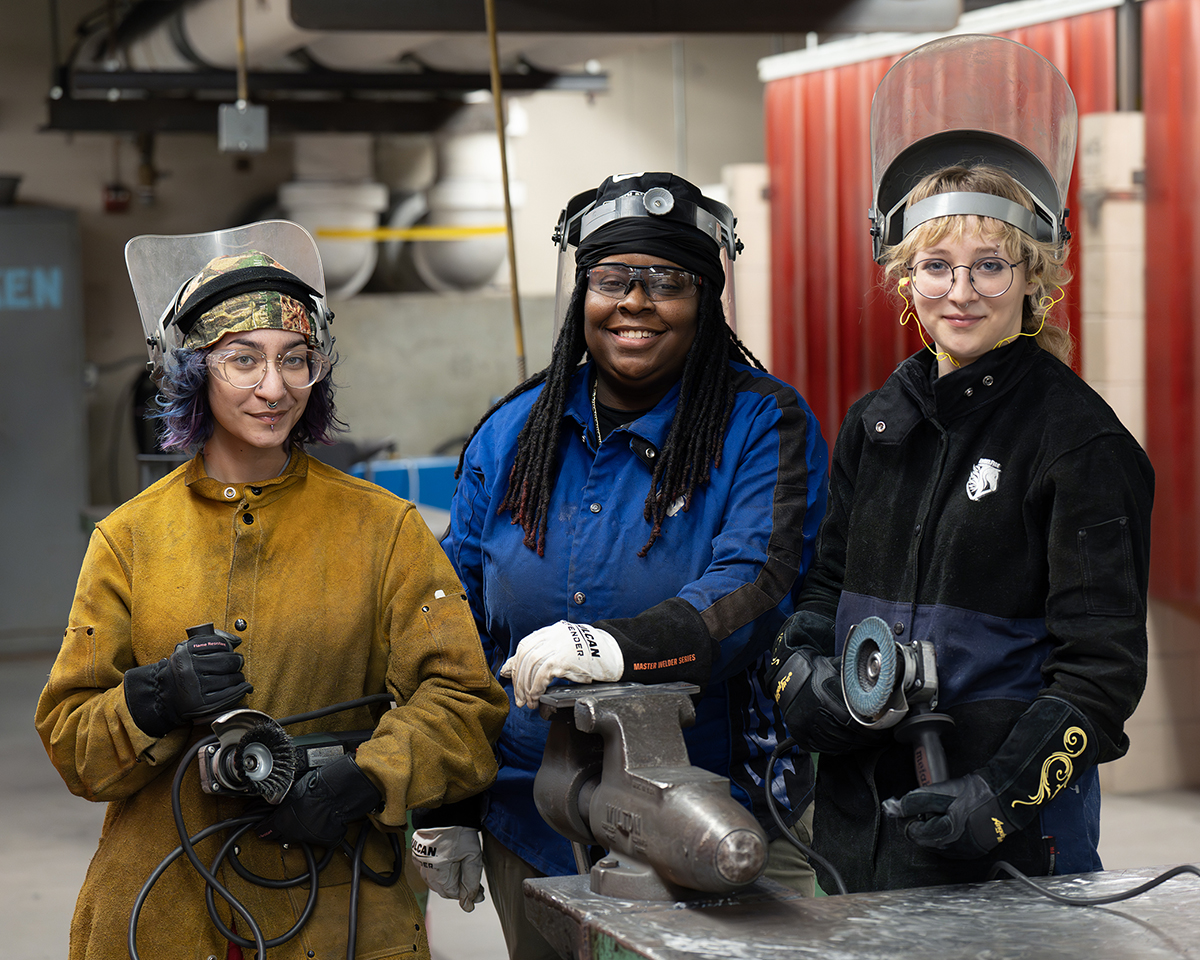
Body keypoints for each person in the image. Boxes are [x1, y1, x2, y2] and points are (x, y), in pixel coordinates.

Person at [34, 221, 508, 960]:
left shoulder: (383, 530)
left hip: (334, 908)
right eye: (242, 359)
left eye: (296, 360)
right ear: (192, 370)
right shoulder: (128, 540)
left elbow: (464, 704)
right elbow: (73, 744)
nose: (273, 386)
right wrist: (151, 697)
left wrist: (366, 778)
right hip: (162, 911)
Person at [410, 172, 829, 958]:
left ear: (707, 298)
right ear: (583, 294)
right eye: (612, 279)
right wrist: (448, 802)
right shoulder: (512, 435)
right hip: (528, 821)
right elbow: (449, 625)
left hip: (709, 820)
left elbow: (756, 585)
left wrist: (616, 650)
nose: (636, 301)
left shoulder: (761, 423)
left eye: (668, 280)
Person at [770, 35, 1154, 893]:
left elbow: (1101, 672)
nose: (961, 291)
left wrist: (997, 796)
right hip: (852, 832)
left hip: (1007, 846)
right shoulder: (878, 424)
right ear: (904, 279)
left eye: (990, 266)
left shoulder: (1077, 444)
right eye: (936, 267)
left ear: (1035, 278)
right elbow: (821, 591)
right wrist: (803, 679)